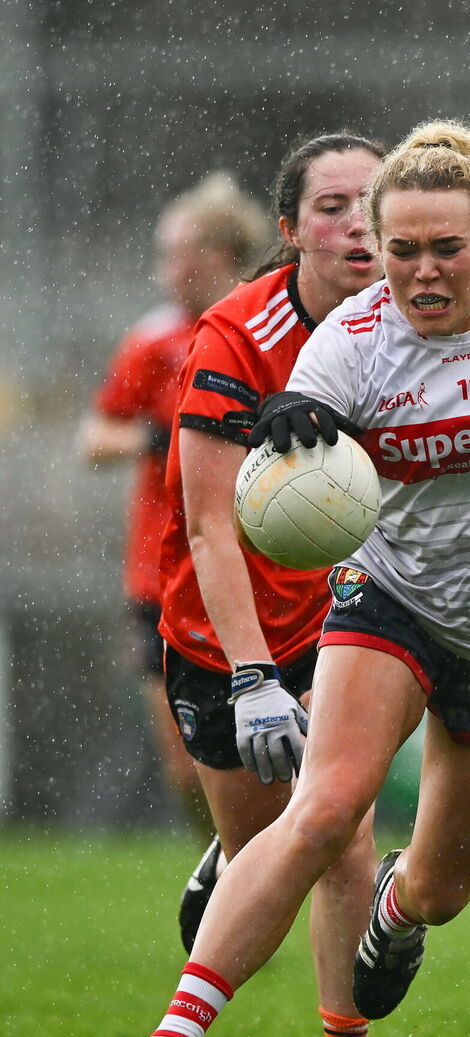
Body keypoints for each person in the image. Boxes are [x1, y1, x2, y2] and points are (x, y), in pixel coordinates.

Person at [107, 118, 470, 1037]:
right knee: (324, 812)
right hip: (395, 601)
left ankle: (397, 906)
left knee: (441, 891)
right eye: (400, 251)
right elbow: (289, 440)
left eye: (446, 250)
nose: (422, 273)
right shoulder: (349, 340)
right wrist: (296, 428)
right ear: (366, 251)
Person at [114, 131, 394, 1037]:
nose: (357, 225)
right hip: (220, 635)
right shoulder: (233, 334)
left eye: (375, 203)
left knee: (339, 831)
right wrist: (249, 676)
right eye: (331, 207)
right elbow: (205, 523)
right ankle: (229, 858)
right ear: (288, 230)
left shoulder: (416, 317)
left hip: (347, 616)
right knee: (265, 855)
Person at [78, 173, 270, 837]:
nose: (165, 270)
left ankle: (267, 870)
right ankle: (226, 863)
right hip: (162, 578)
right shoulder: (154, 340)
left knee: (278, 753)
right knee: (189, 769)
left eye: (176, 253)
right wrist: (155, 437)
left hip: (262, 570)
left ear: (218, 257)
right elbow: (94, 438)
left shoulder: (268, 329)